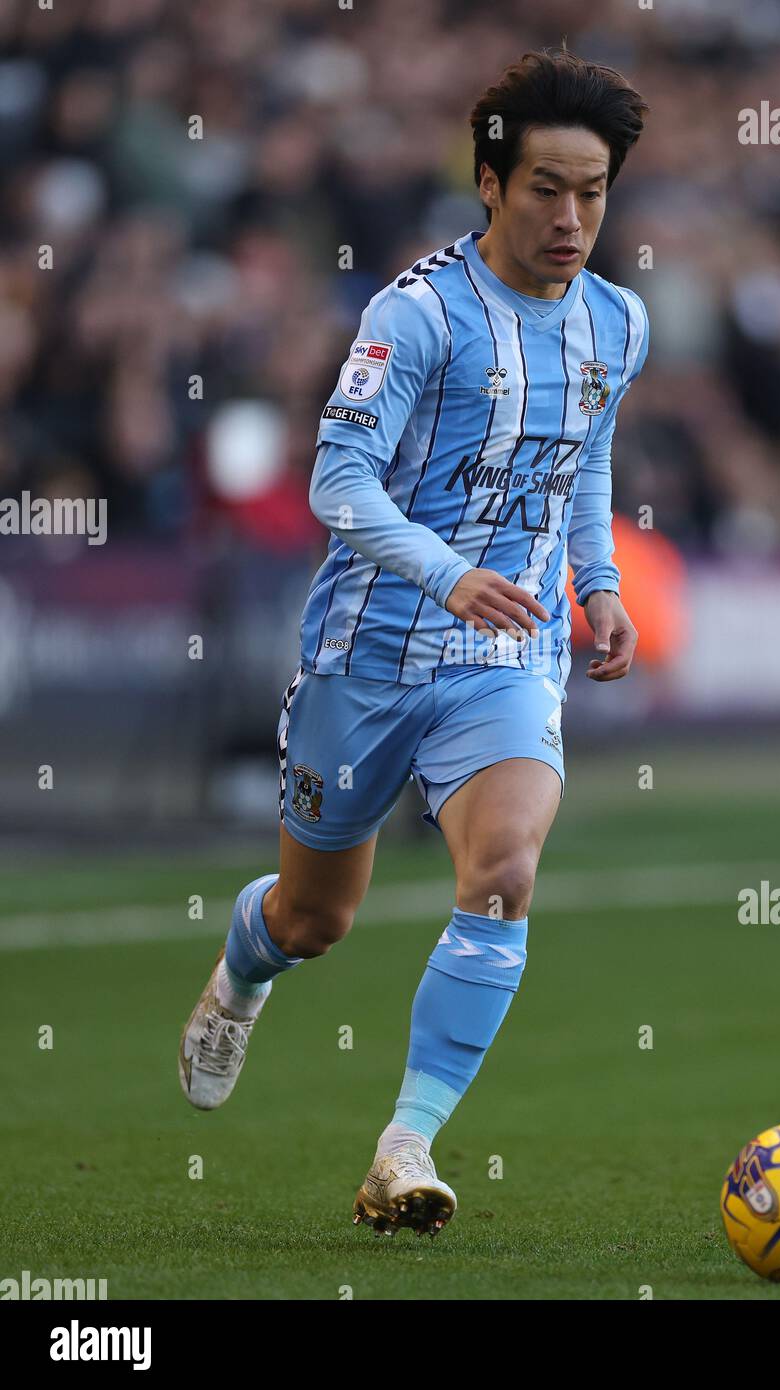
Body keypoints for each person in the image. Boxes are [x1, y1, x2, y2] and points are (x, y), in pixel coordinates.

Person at [179, 48, 650, 1240]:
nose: (571, 216)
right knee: (314, 918)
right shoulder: (419, 313)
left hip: (506, 657)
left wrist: (594, 583)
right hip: (369, 654)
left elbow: (584, 454)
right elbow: (337, 479)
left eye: (592, 191)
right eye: (546, 187)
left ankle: (406, 1146)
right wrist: (448, 576)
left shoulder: (616, 321)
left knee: (501, 875)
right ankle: (243, 968)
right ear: (488, 183)